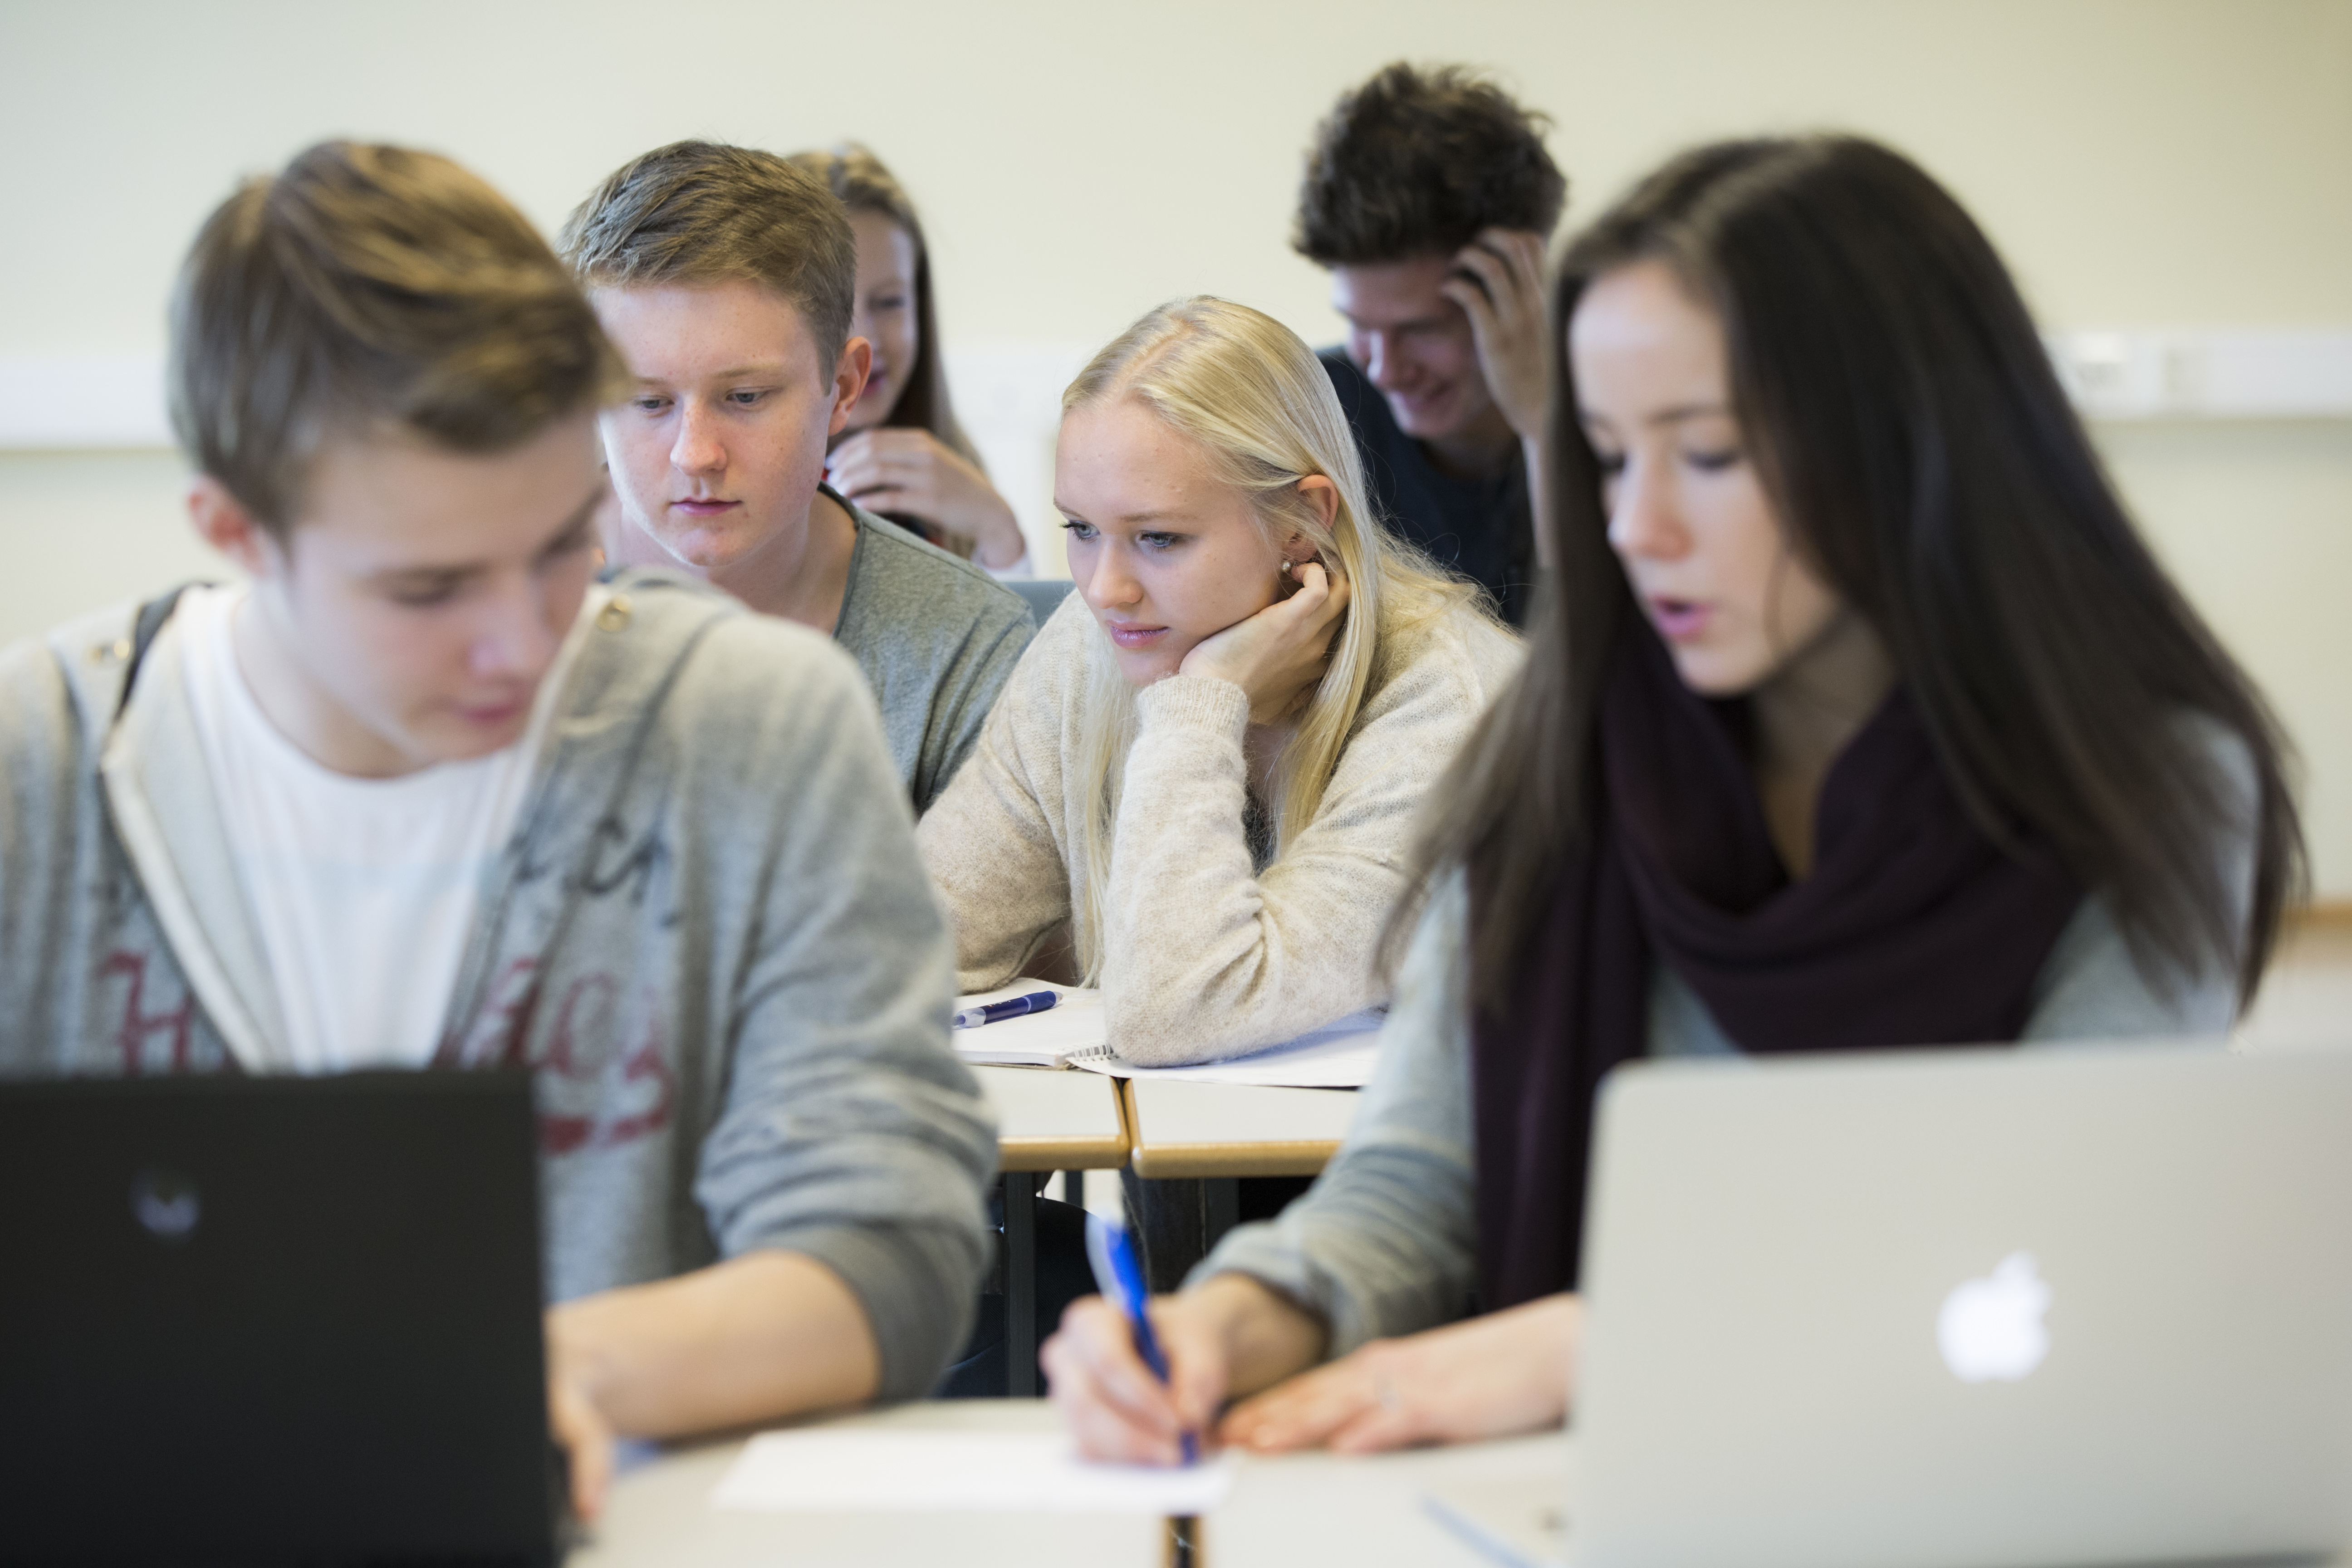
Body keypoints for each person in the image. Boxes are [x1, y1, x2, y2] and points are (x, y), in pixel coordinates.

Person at [1043, 135, 2304, 1464]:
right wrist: (1235, 1320)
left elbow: (2048, 1257)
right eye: (1604, 456)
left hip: (1976, 1500)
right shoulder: (1566, 749)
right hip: (1596, 1505)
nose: (1637, 526)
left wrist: (1575, 1348)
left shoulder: (2137, 781)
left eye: (1705, 456)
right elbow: (1421, 1184)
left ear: (1908, 450)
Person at [0, 142, 997, 1514]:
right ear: (233, 530)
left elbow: (891, 1247)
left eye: (553, 549)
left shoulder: (746, 726)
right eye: (427, 589)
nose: (518, 643)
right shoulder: (43, 770)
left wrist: (525, 1374)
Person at [917, 296, 1519, 1069]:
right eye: (1080, 530)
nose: (1104, 589)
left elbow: (1177, 1008)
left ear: (1300, 521)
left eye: (1158, 538)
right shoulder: (1093, 642)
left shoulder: (1444, 702)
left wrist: (1199, 705)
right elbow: (905, 949)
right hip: (1191, 1177)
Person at [563, 140, 1034, 814]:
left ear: (843, 386)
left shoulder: (965, 648)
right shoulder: (491, 616)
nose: (695, 455)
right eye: (649, 403)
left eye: (746, 397)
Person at [1297, 62, 1568, 627]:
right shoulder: (1316, 411)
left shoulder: (1622, 427)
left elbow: (1607, 657)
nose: (1387, 370)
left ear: (1526, 287)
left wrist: (1547, 422)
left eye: (1423, 330)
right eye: (1360, 324)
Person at [788, 143, 1030, 573]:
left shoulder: (954, 467)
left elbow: (1025, 640)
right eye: (834, 307)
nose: (868, 339)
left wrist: (998, 529)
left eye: (890, 302)